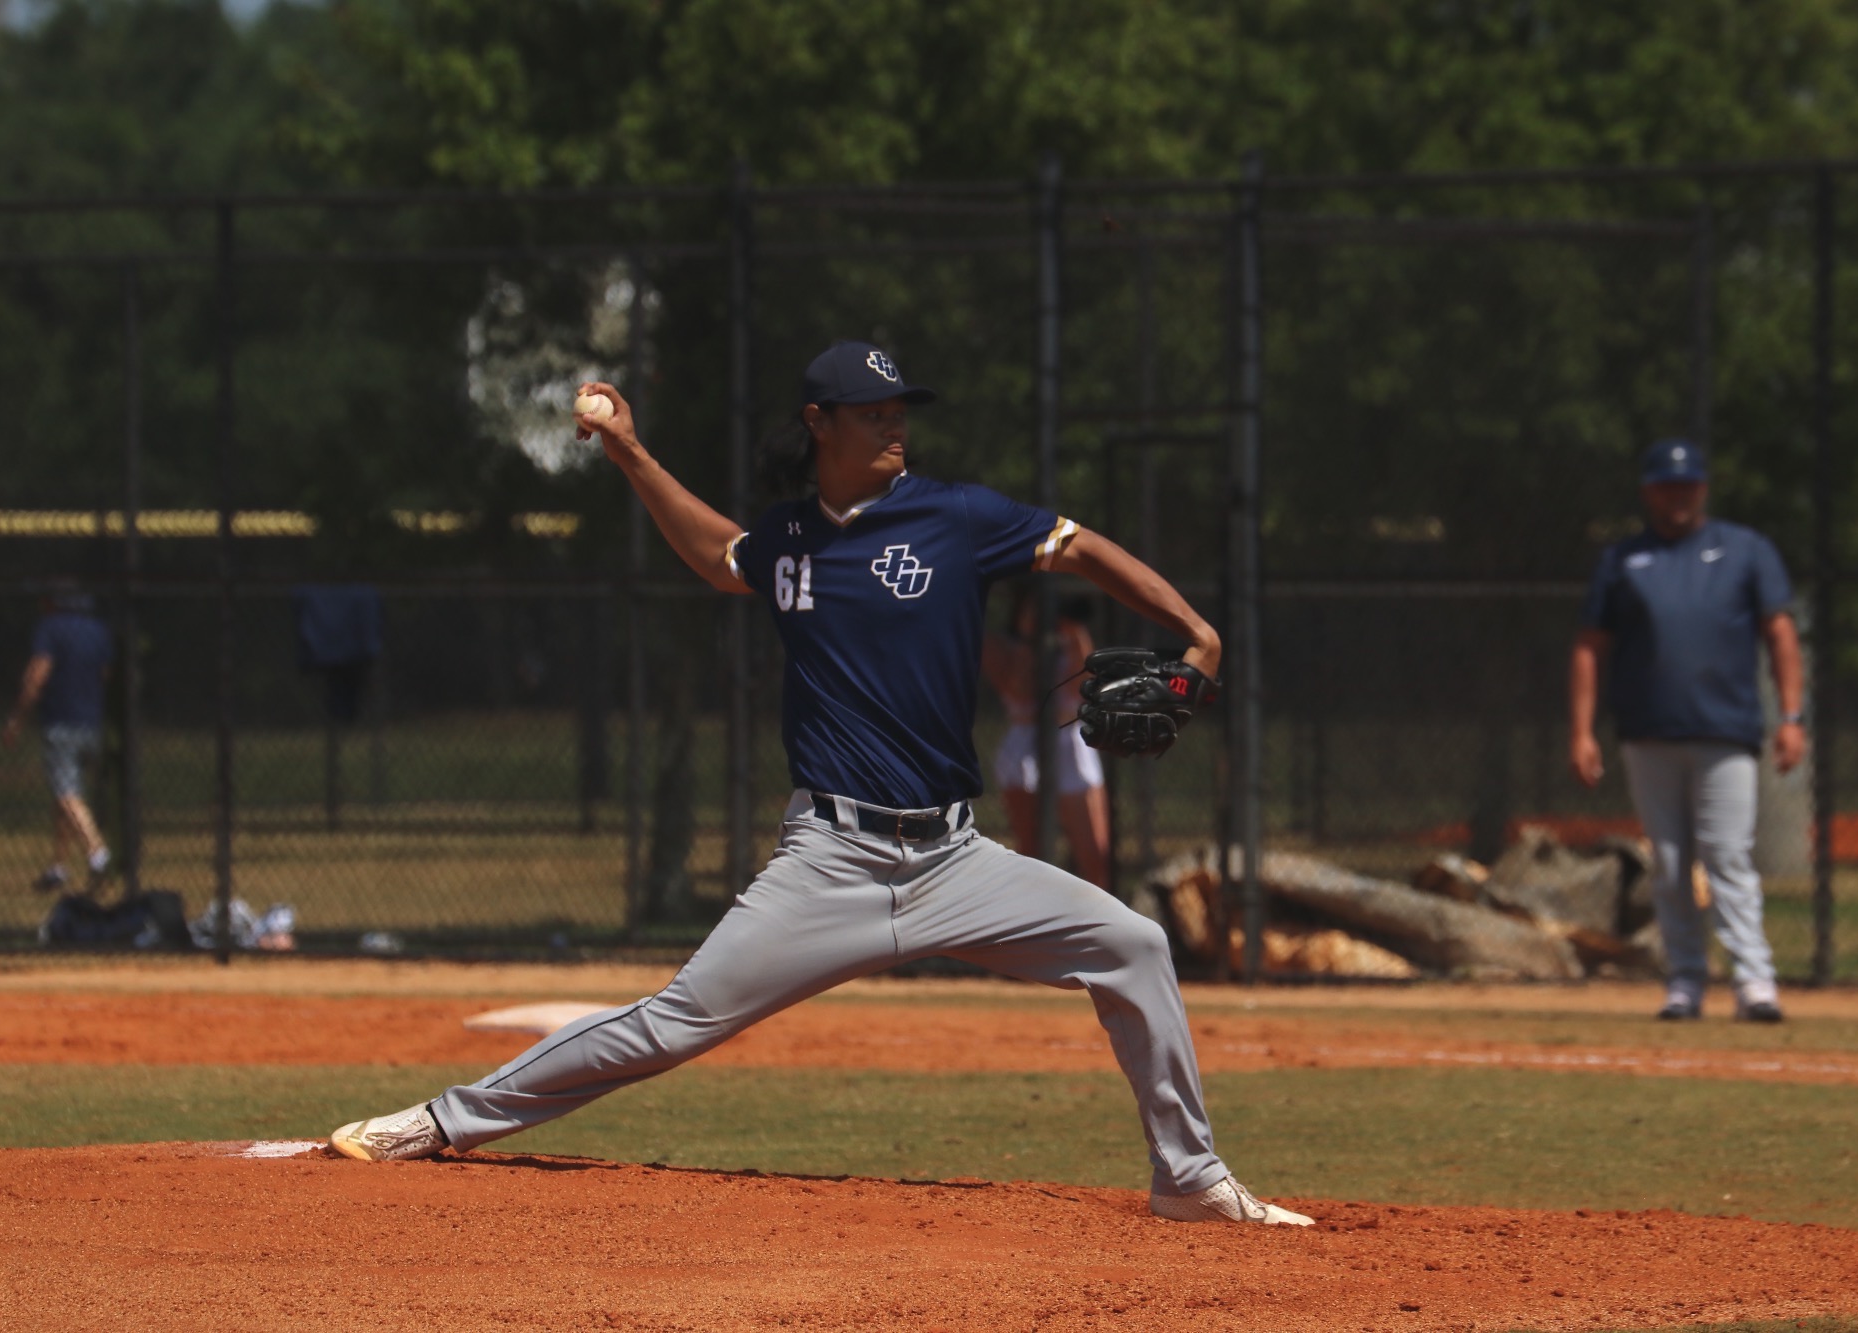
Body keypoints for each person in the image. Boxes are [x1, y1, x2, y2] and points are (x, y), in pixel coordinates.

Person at [330, 340, 1312, 1227]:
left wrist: (1199, 633)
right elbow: (719, 554)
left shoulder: (956, 516)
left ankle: (1186, 1176)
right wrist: (628, 453)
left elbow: (1080, 545)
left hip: (955, 860)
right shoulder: (792, 539)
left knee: (1132, 946)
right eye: (873, 410)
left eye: (899, 409)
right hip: (829, 860)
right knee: (673, 1021)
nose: (894, 423)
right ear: (819, 425)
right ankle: (438, 1121)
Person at [1569, 439, 1803, 1023]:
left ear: (1702, 488)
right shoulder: (1625, 559)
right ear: (1649, 491)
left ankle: (1754, 981)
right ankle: (1685, 981)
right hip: (1648, 733)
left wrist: (1792, 719)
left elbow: (1780, 633)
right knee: (1671, 866)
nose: (1678, 495)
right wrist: (1582, 730)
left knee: (1727, 855)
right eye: (1667, 485)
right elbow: (1590, 646)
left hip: (1725, 731)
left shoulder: (1745, 550)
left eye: (1688, 485)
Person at [983, 586, 1110, 887]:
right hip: (1025, 748)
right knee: (1034, 851)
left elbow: (1084, 684)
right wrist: (1031, 638)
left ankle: (1100, 926)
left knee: (1096, 852)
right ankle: (1035, 925)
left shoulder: (1068, 641)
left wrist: (1073, 628)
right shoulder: (1000, 646)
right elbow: (1019, 688)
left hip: (1071, 743)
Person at [2, 586, 115, 892]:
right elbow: (105, 673)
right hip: (91, 722)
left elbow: (38, 673)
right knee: (66, 796)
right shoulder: (98, 630)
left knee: (66, 793)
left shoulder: (50, 627)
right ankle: (59, 865)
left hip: (60, 721)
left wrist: (17, 717)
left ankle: (98, 853)